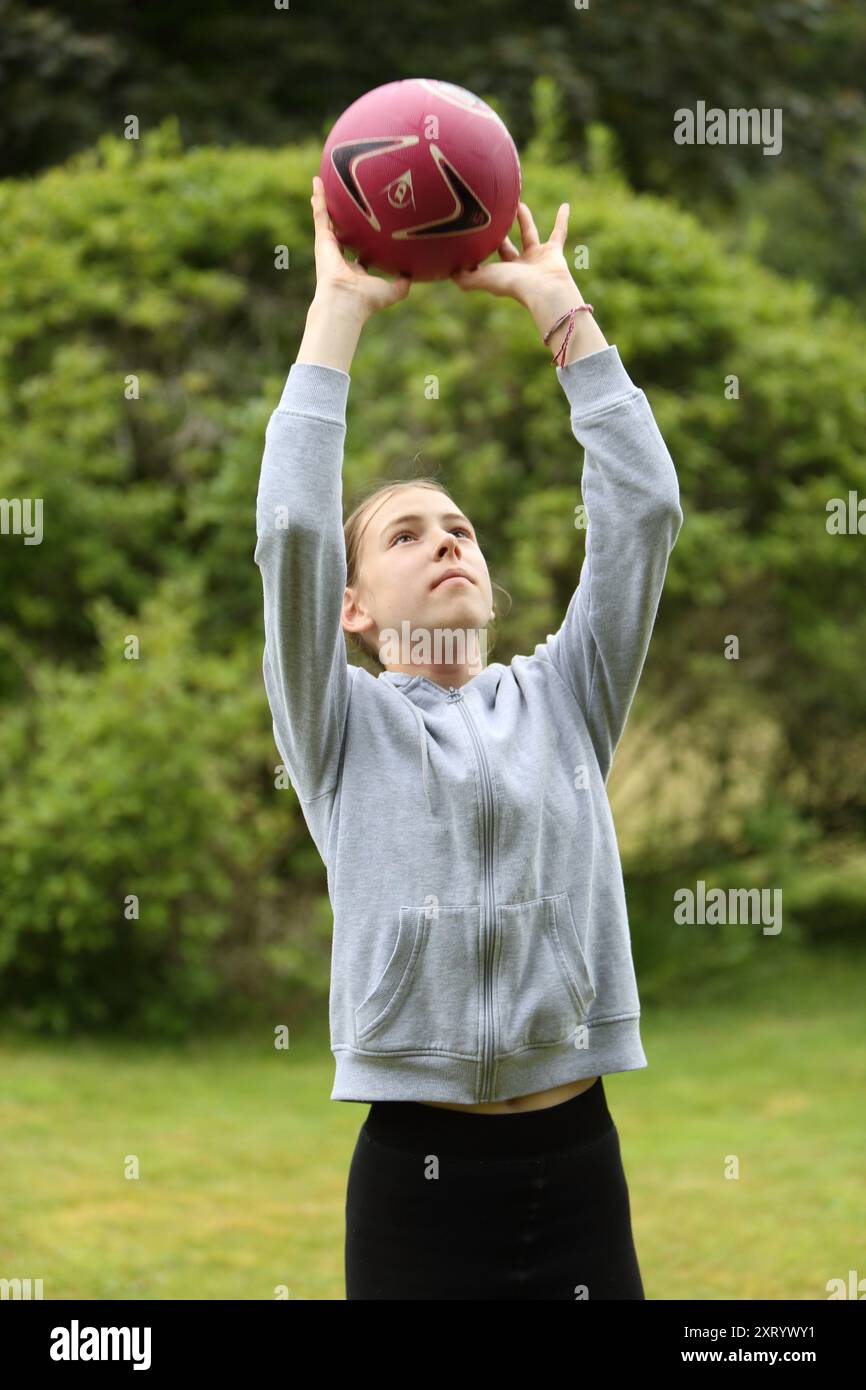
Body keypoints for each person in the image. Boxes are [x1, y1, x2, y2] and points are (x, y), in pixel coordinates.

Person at [253, 175, 684, 1298]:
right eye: (404, 533)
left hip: (576, 1160)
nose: (445, 542)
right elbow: (294, 531)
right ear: (352, 608)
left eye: (459, 528)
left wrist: (561, 313)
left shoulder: (568, 695)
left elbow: (640, 512)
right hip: (415, 1181)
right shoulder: (337, 726)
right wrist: (334, 312)